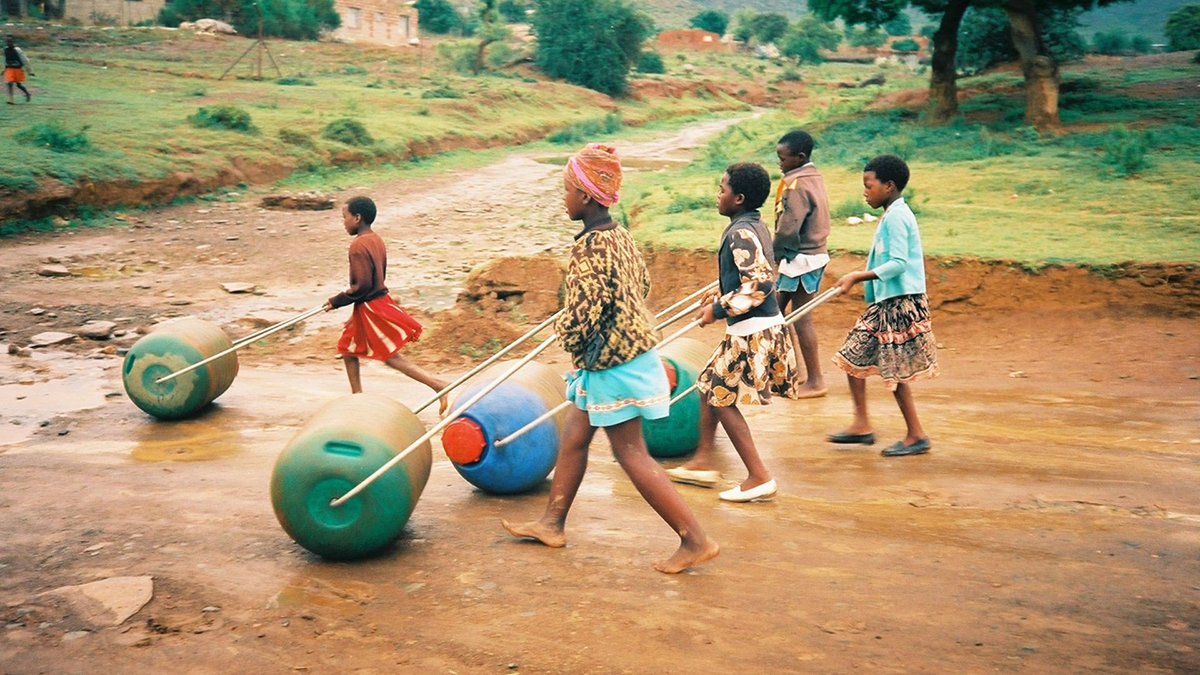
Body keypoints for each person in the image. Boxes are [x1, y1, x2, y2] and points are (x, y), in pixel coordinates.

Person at [502, 143, 719, 574]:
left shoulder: (588, 249)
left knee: (631, 453)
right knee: (575, 438)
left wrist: (562, 333)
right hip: (624, 353)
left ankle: (695, 539)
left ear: (584, 196)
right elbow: (642, 282)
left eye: (566, 190)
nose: (563, 198)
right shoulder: (618, 236)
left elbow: (584, 313)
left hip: (613, 363)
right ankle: (552, 522)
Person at [665, 163, 800, 502]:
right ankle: (702, 461)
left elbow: (761, 283)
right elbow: (749, 275)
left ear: (738, 198)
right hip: (756, 327)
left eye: (722, 189)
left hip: (753, 331)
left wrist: (718, 310)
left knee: (720, 396)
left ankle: (758, 476)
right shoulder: (752, 224)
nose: (718, 194)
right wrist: (719, 293)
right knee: (708, 384)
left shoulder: (741, 232)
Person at [829, 154, 938, 457]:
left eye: (869, 185)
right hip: (884, 302)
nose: (865, 191)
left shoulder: (898, 217)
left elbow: (899, 264)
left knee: (896, 370)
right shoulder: (891, 214)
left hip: (901, 302)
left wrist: (857, 276)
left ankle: (916, 434)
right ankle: (862, 424)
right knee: (852, 356)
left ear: (888, 186)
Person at [323, 196, 449, 413]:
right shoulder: (376, 239)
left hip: (371, 306)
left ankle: (438, 385)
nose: (343, 222)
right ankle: (357, 398)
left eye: (345, 217)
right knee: (347, 349)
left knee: (390, 357)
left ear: (357, 217)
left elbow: (361, 286)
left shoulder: (358, 246)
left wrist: (337, 301)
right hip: (374, 303)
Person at [773, 129, 831, 398]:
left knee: (800, 319)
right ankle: (791, 373)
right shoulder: (812, 176)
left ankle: (815, 381)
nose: (779, 163)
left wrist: (772, 253)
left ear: (800, 157)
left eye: (782, 159)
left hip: (800, 258)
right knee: (775, 312)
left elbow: (789, 226)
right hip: (808, 255)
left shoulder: (795, 184)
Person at [5, 36, 33, 105]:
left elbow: (25, 60)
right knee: (9, 83)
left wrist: (29, 71)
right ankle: (11, 100)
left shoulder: (17, 50)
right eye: (8, 42)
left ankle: (27, 93)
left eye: (10, 42)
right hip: (9, 68)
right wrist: (4, 69)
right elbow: (5, 59)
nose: (9, 43)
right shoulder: (6, 49)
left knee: (18, 85)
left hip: (17, 69)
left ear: (13, 42)